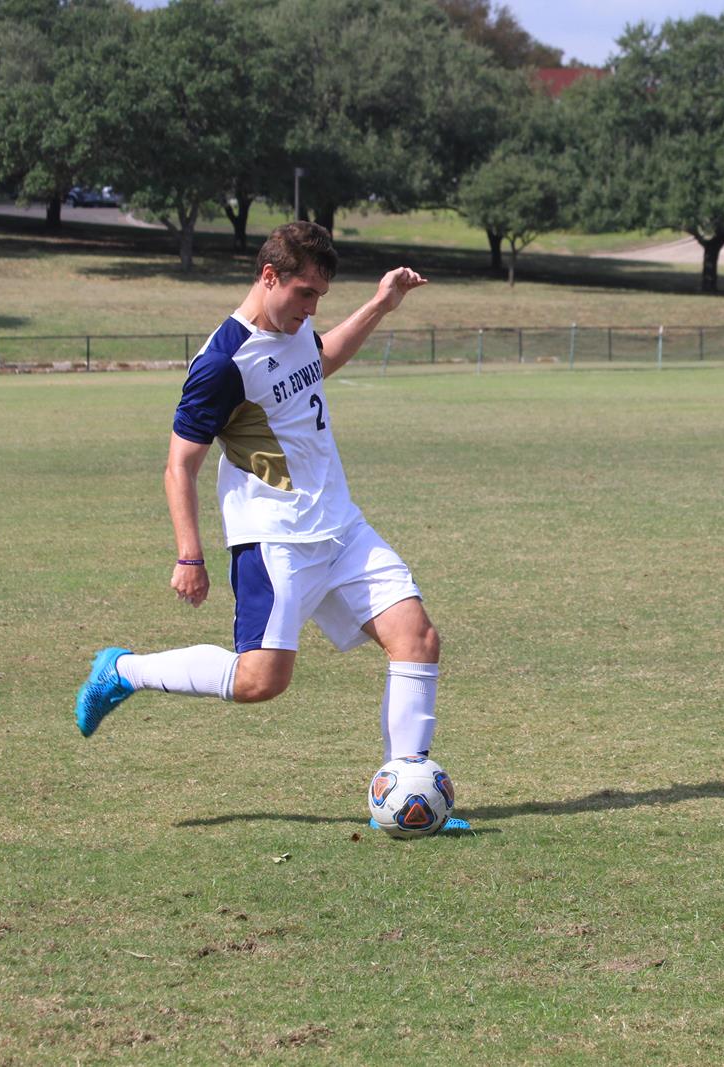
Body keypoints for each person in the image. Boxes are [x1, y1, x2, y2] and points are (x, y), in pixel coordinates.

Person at [74, 222, 459, 827]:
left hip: (341, 525)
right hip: (275, 540)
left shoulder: (298, 327)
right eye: (304, 293)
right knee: (261, 682)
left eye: (319, 299)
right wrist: (189, 555)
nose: (310, 309)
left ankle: (408, 796)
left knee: (417, 641)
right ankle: (123, 670)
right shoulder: (223, 362)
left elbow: (321, 358)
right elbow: (180, 463)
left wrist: (382, 305)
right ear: (269, 275)